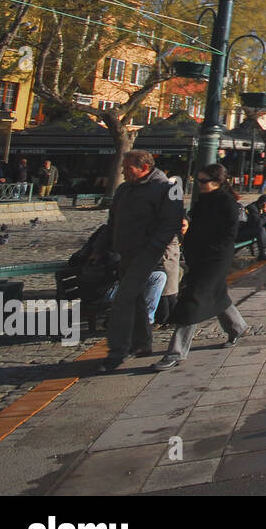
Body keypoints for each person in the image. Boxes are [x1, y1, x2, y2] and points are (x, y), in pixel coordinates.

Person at [154, 164, 249, 370]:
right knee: (216, 295)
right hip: (198, 257)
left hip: (215, 259)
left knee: (193, 300)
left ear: (217, 181)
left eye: (203, 181)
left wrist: (210, 250)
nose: (199, 184)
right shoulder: (202, 201)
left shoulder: (227, 203)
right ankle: (238, 327)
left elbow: (228, 235)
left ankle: (176, 352)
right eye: (198, 181)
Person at [98, 150, 183, 372]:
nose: (124, 172)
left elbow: (170, 224)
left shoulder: (165, 189)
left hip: (148, 256)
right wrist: (100, 249)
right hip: (125, 253)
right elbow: (113, 221)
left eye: (128, 168)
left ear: (144, 168)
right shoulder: (124, 189)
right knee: (134, 302)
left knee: (122, 302)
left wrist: (152, 251)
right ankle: (142, 344)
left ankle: (117, 352)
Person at [242, 194, 266, 261]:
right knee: (261, 229)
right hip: (247, 229)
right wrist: (265, 213)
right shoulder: (252, 208)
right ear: (264, 203)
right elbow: (258, 223)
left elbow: (265, 220)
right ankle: (262, 253)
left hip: (254, 228)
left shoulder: (260, 207)